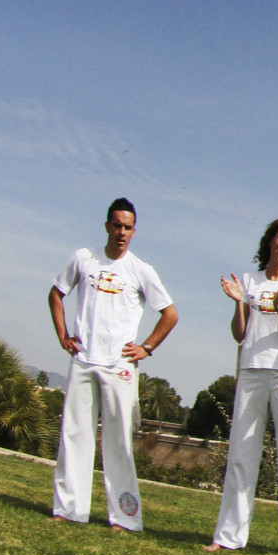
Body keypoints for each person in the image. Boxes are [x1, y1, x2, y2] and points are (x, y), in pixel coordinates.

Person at [47, 197, 178, 532]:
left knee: (118, 442)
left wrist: (146, 348)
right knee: (75, 434)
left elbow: (170, 314)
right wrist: (63, 334)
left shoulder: (141, 270)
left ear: (134, 231)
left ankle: (124, 516)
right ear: (107, 225)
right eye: (117, 225)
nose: (122, 232)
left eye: (128, 227)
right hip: (84, 360)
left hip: (119, 366)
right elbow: (56, 293)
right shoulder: (84, 259)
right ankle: (69, 509)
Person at [205, 217, 278, 555]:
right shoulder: (249, 281)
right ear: (270, 241)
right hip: (252, 372)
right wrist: (240, 302)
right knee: (241, 455)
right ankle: (228, 535)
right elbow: (240, 334)